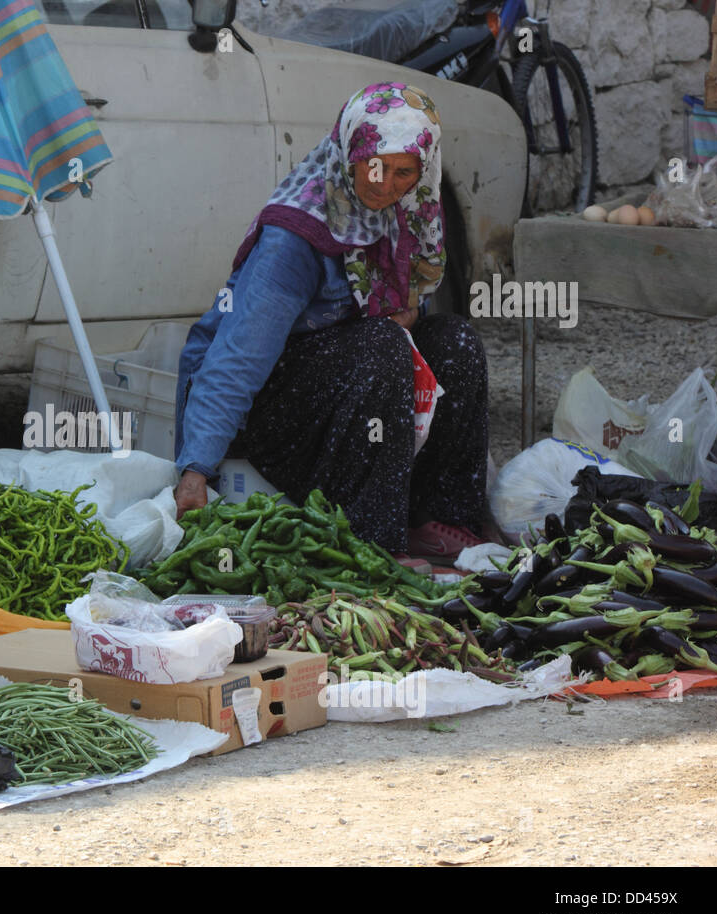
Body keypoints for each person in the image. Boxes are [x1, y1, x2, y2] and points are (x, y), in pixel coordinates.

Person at [173, 82, 489, 564]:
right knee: (382, 344)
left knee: (454, 340)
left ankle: (439, 518)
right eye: (376, 164)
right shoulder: (294, 237)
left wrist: (403, 315)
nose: (386, 183)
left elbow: (401, 306)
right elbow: (238, 358)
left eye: (405, 171)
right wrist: (196, 469)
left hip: (350, 391)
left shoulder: (405, 213)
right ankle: (369, 541)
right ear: (350, 151)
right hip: (273, 411)